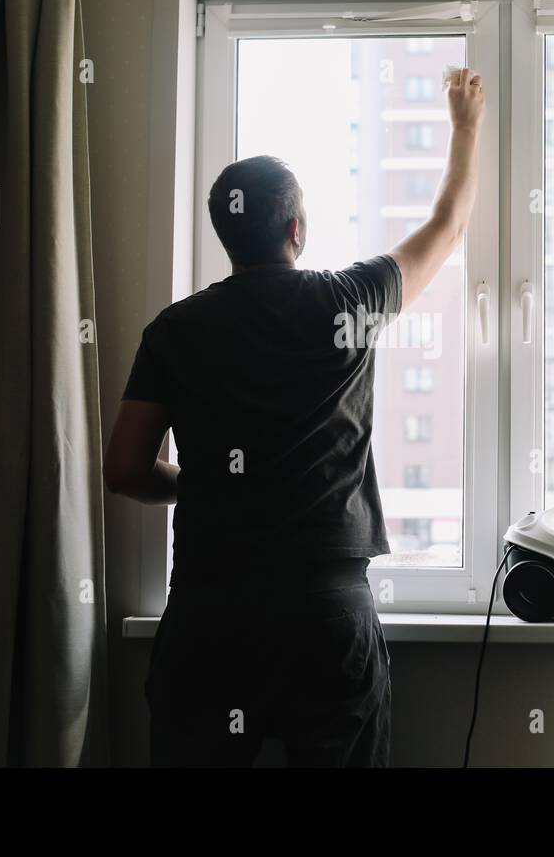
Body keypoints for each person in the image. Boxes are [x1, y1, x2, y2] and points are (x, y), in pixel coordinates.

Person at [104, 67, 485, 767]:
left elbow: (124, 468)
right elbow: (448, 226)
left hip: (210, 612)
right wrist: (463, 126)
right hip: (324, 611)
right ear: (297, 230)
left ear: (227, 235)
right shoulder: (350, 302)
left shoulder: (175, 330)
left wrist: (205, 479)